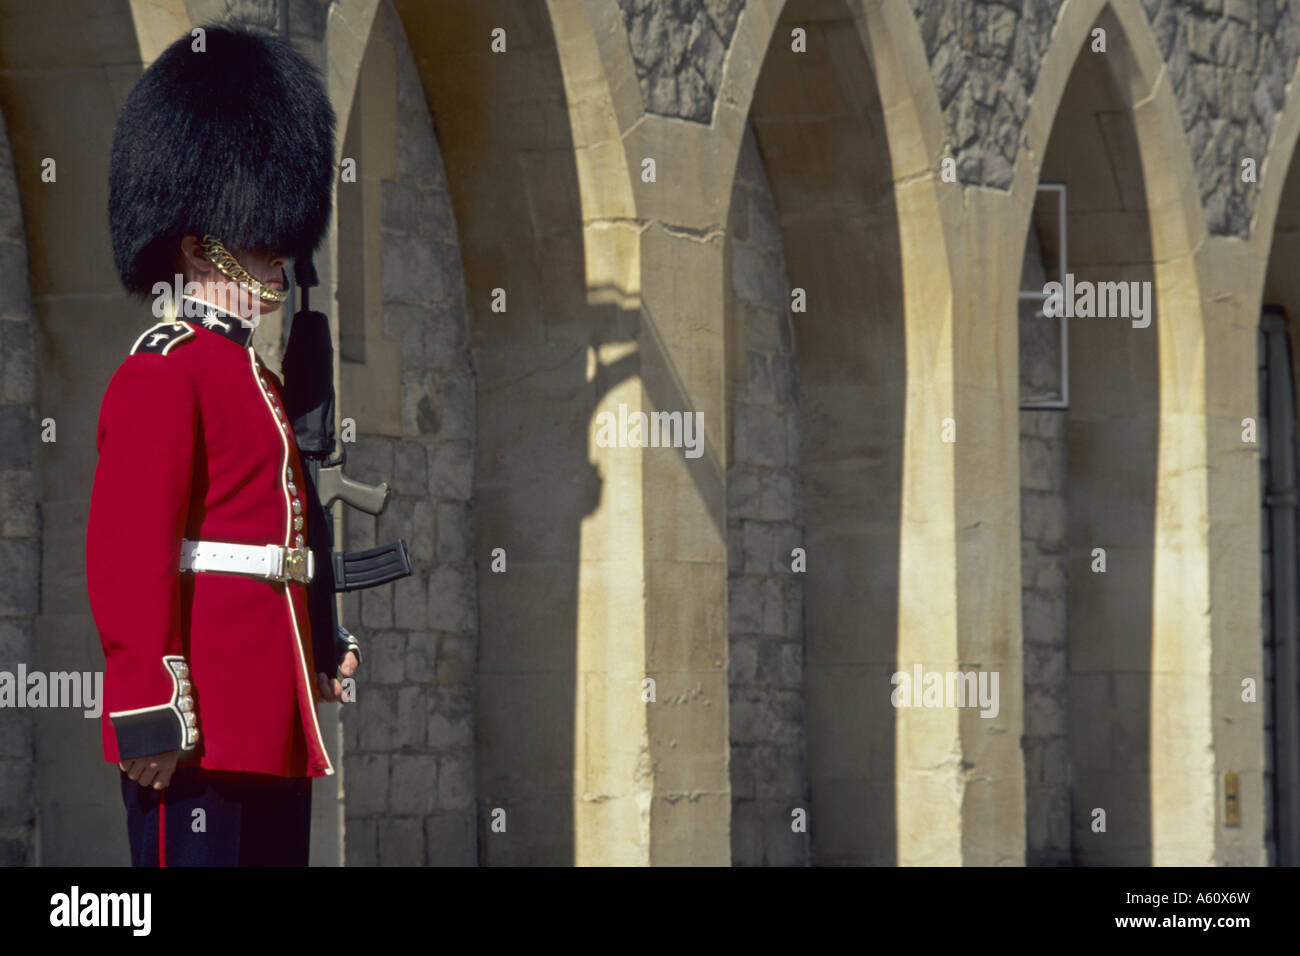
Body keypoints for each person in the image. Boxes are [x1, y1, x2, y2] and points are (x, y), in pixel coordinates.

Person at [86, 24, 357, 866]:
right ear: (207, 241)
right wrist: (149, 709)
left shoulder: (260, 382)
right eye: (262, 241)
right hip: (199, 729)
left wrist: (322, 642)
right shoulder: (166, 371)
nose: (281, 263)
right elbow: (130, 553)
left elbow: (282, 538)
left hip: (272, 719)